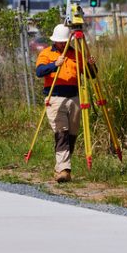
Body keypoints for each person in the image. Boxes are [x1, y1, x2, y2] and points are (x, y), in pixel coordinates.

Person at [34, 23, 94, 183]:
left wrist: (91, 64)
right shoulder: (46, 53)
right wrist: (55, 65)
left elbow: (91, 75)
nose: (62, 44)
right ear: (55, 40)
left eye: (64, 41)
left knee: (71, 135)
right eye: (59, 41)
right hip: (55, 97)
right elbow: (39, 72)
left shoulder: (76, 54)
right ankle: (64, 170)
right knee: (62, 133)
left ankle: (61, 166)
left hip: (74, 98)